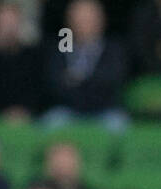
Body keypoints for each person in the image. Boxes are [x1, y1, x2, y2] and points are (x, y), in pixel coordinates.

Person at [42, 0, 129, 131]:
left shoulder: (115, 49)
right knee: (51, 123)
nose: (84, 23)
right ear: (69, 21)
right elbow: (55, 85)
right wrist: (89, 81)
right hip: (68, 110)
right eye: (79, 19)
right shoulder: (60, 48)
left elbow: (112, 82)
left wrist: (77, 79)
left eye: (89, 19)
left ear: (101, 20)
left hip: (105, 111)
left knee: (119, 125)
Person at [0, 0, 45, 119]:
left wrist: (24, 110)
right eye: (3, 22)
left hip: (26, 112)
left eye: (11, 22)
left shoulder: (32, 55)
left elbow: (37, 89)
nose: (8, 27)